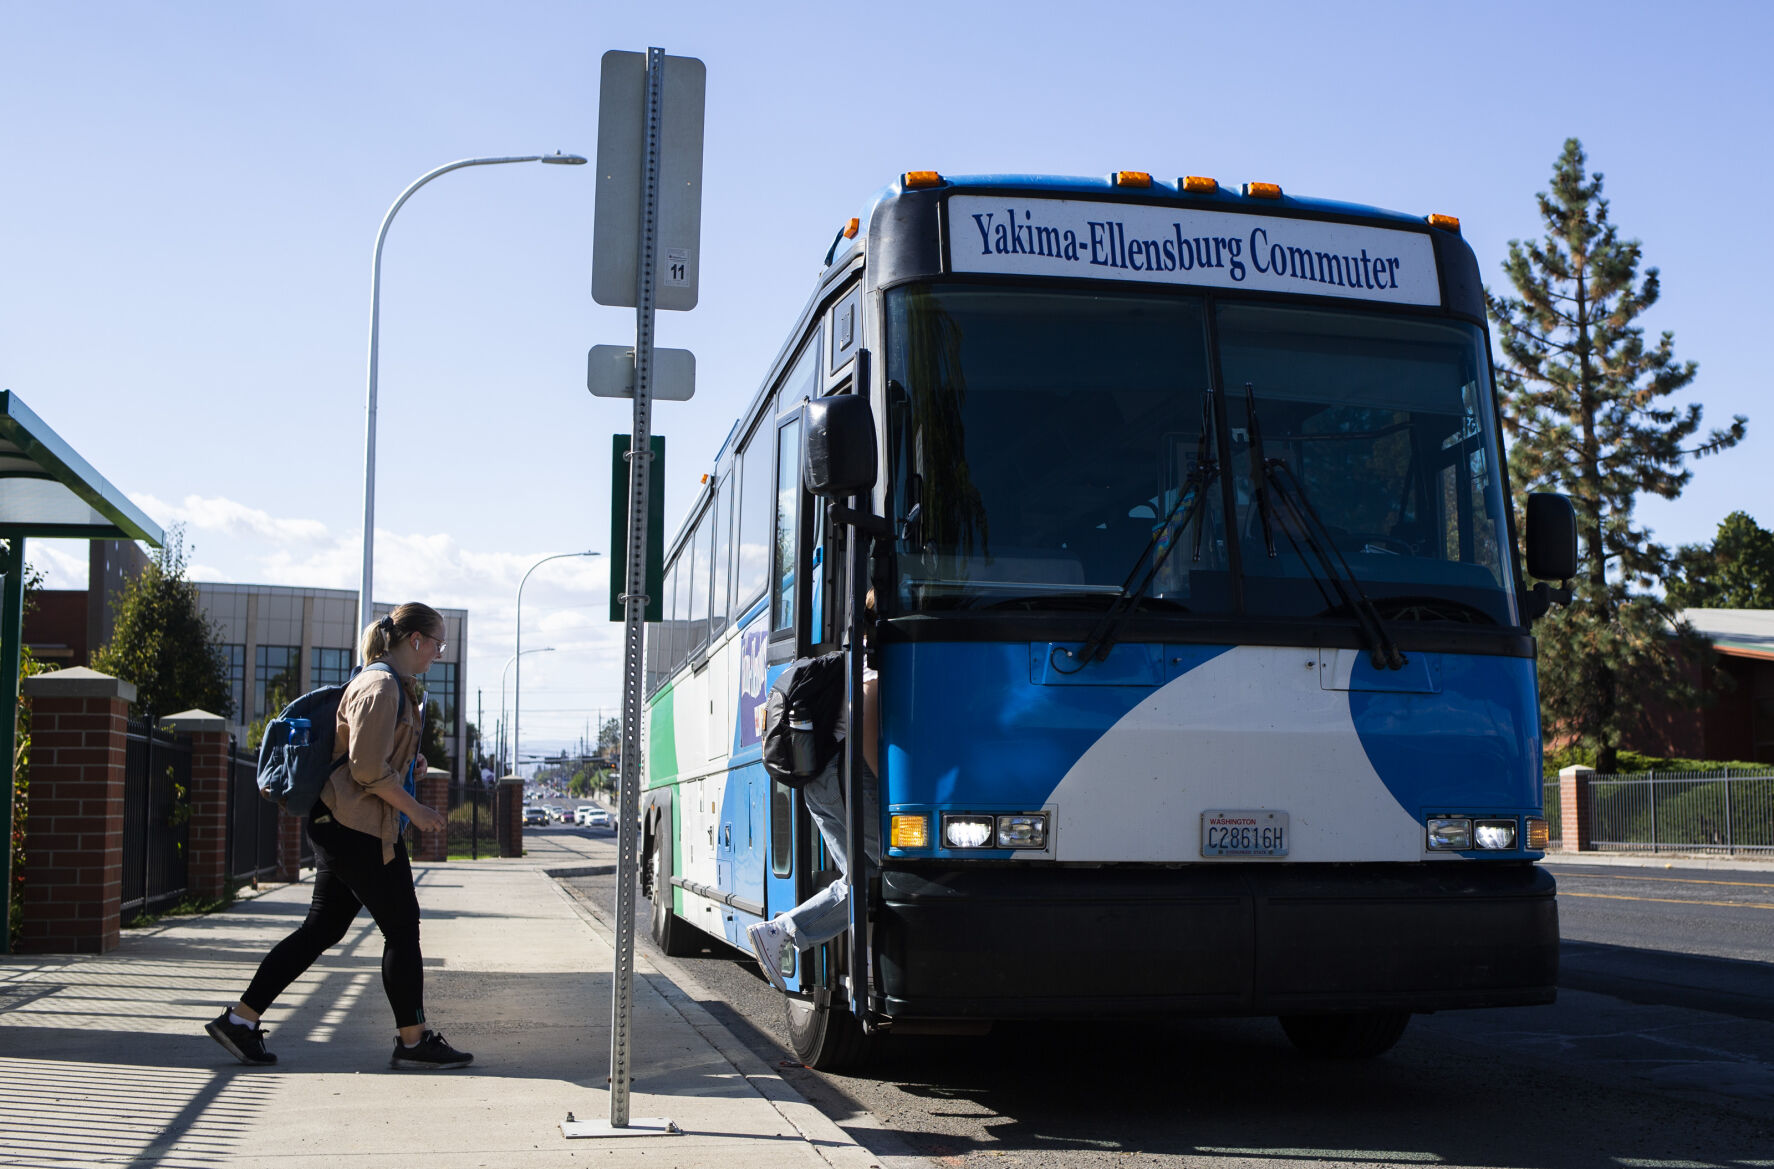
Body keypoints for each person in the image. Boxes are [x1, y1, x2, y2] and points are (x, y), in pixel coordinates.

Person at [204, 603, 473, 1071]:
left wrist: (412, 764)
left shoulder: (391, 685)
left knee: (323, 929)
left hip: (345, 823)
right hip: (357, 828)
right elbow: (365, 768)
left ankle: (240, 1021)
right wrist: (417, 810)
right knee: (402, 928)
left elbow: (368, 753)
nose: (438, 652)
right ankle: (413, 1042)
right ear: (414, 640)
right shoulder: (381, 685)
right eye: (436, 643)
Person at [746, 627, 880, 992]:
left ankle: (780, 932)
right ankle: (786, 932)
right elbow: (865, 718)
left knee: (862, 875)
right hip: (846, 776)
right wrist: (884, 785)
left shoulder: (852, 656)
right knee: (896, 856)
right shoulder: (873, 664)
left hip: (820, 780)